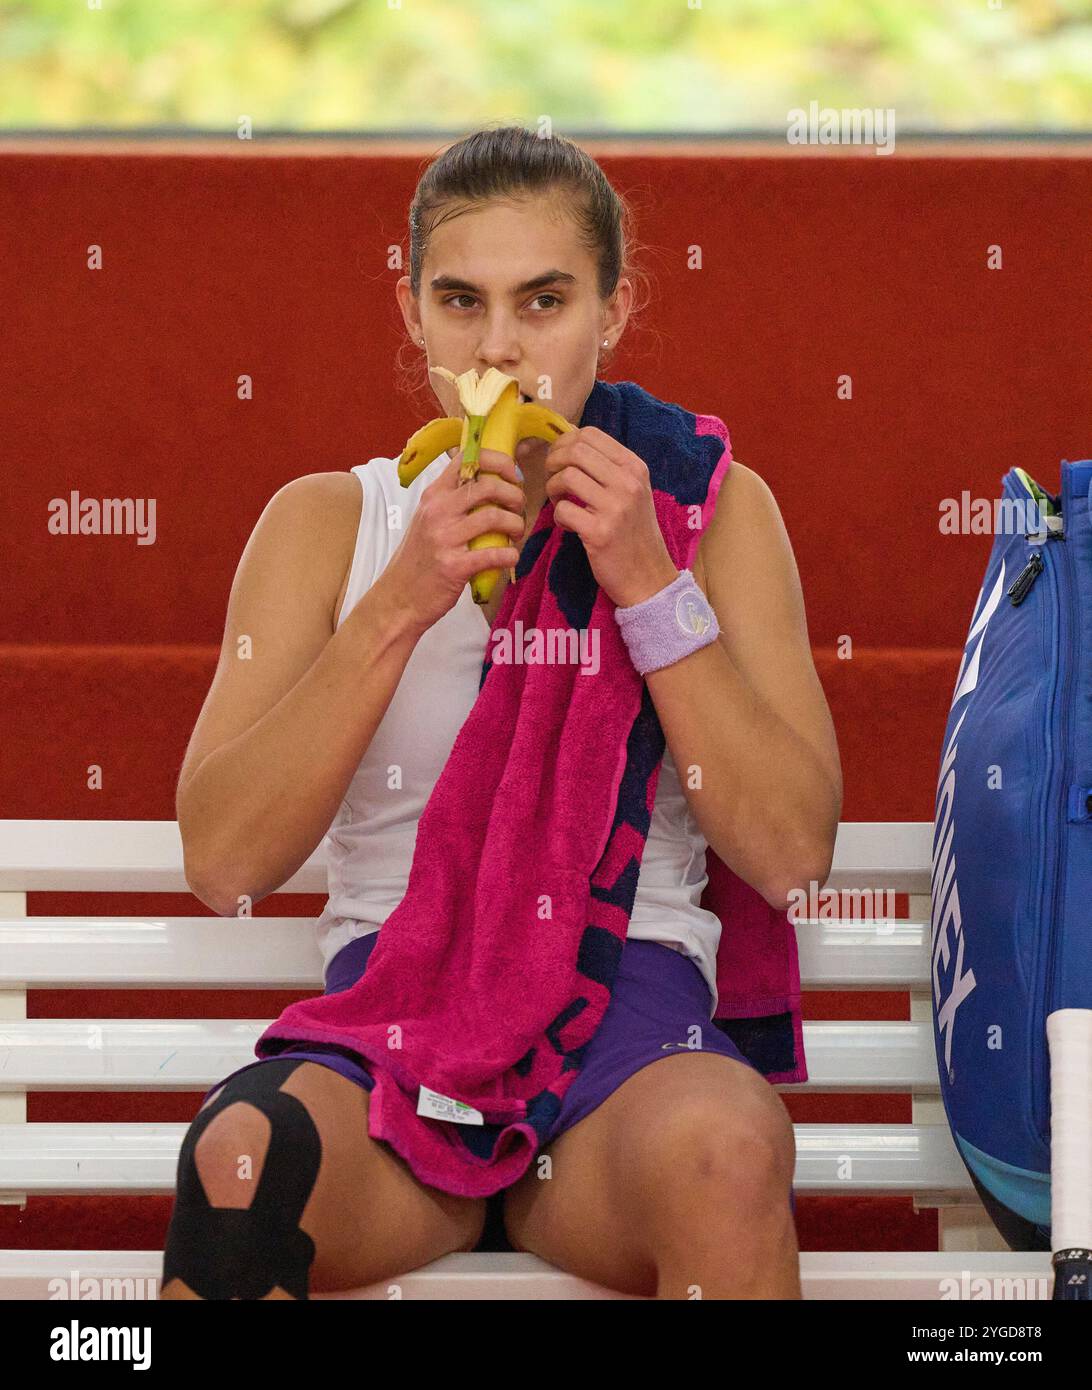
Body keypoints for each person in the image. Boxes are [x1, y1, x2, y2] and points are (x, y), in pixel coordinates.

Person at [160, 123, 841, 1301]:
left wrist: (649, 588)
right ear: (411, 309)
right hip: (393, 1020)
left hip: (627, 1031)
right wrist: (396, 608)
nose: (500, 349)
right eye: (461, 301)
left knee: (729, 1156)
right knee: (240, 1162)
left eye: (544, 301)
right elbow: (224, 856)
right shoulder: (329, 523)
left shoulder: (706, 514)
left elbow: (790, 853)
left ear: (616, 309)